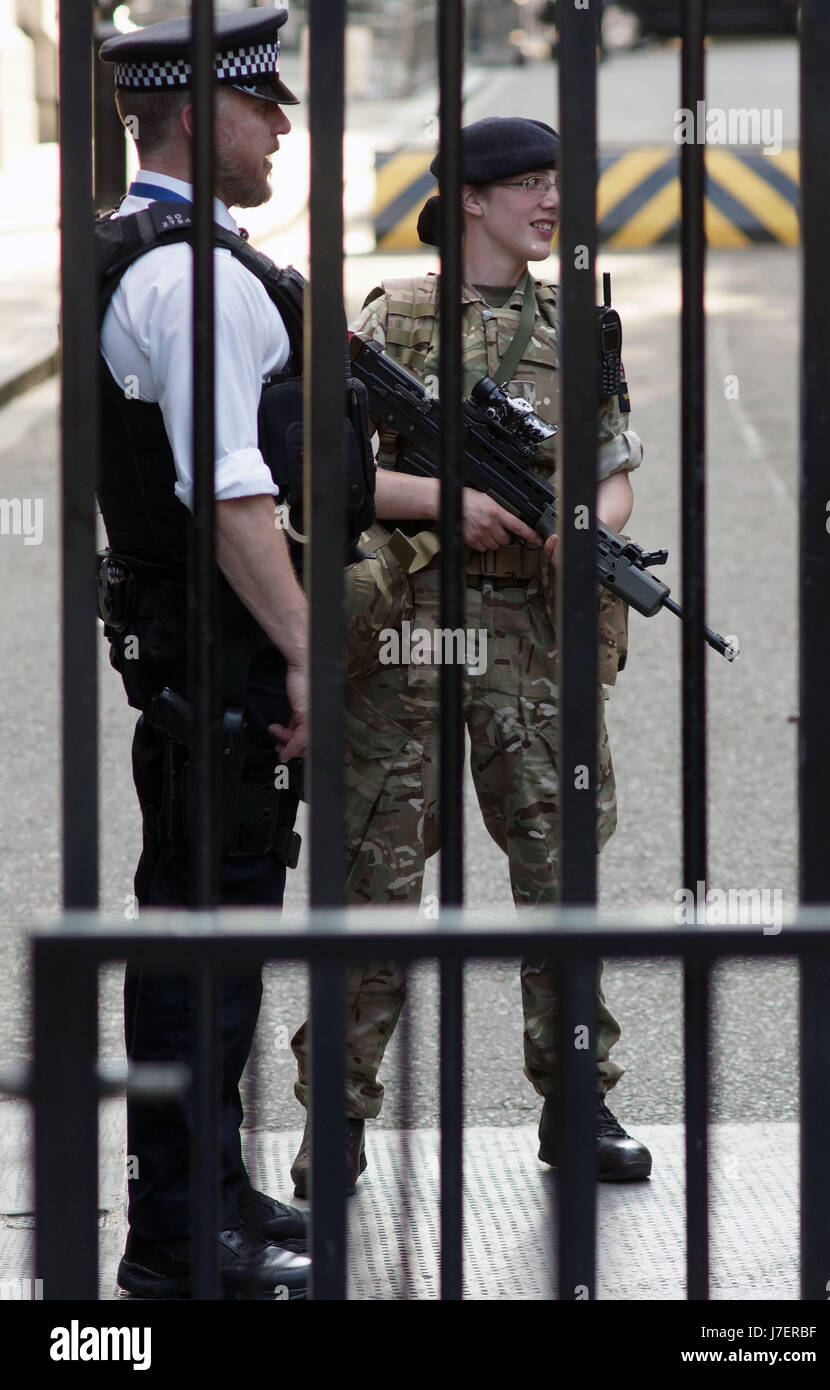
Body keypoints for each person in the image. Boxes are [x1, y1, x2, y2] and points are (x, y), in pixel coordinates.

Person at [289, 116, 652, 1196]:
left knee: (559, 872)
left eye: (557, 182)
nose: (550, 201)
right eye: (529, 184)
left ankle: (577, 1101)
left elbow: (614, 465)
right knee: (373, 874)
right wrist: (451, 499)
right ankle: (337, 1118)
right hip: (402, 620)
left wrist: (576, 521)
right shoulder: (388, 322)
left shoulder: (581, 325)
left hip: (527, 634)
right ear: (472, 204)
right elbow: (326, 472)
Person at [97, 7, 314, 1299]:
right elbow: (231, 489)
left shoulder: (174, 254)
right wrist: (298, 654)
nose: (283, 123)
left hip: (193, 639)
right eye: (264, 102)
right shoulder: (190, 274)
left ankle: (214, 1190)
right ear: (198, 113)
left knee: (218, 925)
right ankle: (180, 1235)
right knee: (201, 938)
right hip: (217, 647)